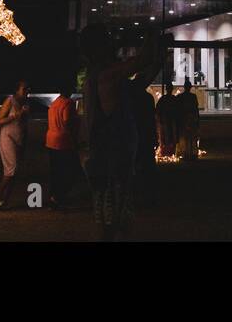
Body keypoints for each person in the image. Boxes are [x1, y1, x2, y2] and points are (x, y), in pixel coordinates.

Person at [81, 24, 159, 240]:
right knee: (115, 220)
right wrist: (151, 36)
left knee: (106, 218)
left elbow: (143, 76)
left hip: (102, 160)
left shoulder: (94, 77)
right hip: (113, 160)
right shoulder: (108, 75)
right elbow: (143, 62)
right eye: (107, 41)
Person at [0, 79, 30, 207]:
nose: (26, 91)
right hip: (7, 138)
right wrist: (15, 115)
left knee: (15, 172)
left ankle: (6, 200)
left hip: (19, 139)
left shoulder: (25, 103)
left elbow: (24, 125)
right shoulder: (10, 101)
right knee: (11, 169)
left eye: (28, 89)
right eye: (24, 89)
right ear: (17, 90)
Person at [45, 82, 81, 209]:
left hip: (51, 140)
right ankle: (59, 196)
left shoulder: (54, 103)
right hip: (63, 141)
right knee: (68, 170)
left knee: (55, 170)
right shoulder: (68, 103)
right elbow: (67, 121)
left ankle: (53, 196)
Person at [176, 79, 200, 160]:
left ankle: (184, 153)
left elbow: (178, 109)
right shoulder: (193, 97)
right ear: (190, 87)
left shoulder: (180, 97)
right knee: (191, 137)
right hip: (191, 119)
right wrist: (197, 120)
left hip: (183, 119)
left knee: (184, 136)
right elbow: (196, 109)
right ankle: (192, 153)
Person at [155, 84, 178, 159]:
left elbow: (158, 109)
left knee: (168, 137)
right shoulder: (171, 99)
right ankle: (168, 152)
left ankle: (168, 152)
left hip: (169, 121)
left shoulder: (165, 99)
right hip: (168, 121)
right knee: (167, 137)